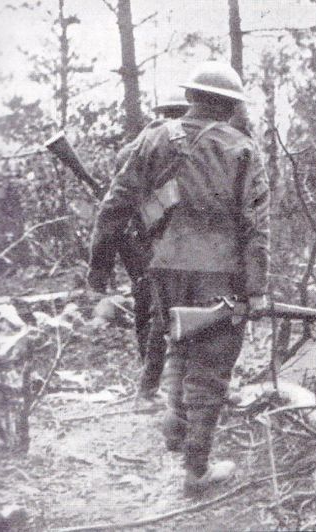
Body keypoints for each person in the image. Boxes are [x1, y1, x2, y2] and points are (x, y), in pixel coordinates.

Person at [88, 61, 269, 494]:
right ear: (228, 107)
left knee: (177, 345)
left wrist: (98, 268)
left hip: (164, 266)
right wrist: (257, 288)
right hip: (219, 273)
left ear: (190, 98)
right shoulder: (242, 149)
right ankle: (197, 470)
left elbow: (113, 207)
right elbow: (256, 224)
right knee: (210, 366)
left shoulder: (152, 139)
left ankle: (176, 427)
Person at [101, 90, 191, 400]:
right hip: (162, 240)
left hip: (142, 238)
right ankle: (157, 384)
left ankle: (150, 382)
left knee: (149, 307)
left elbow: (118, 202)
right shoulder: (183, 145)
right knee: (160, 310)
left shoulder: (133, 148)